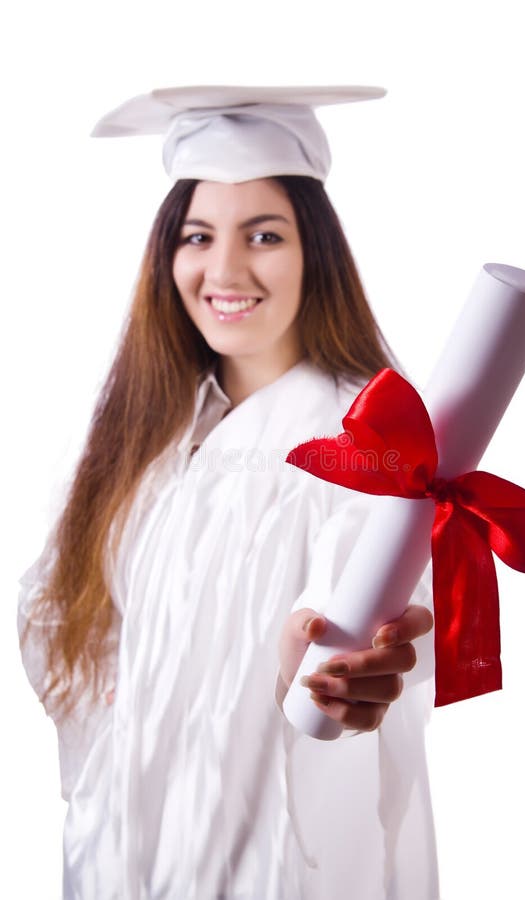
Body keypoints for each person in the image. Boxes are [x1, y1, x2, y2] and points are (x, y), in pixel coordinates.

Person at [18, 86, 439, 899]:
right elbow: (58, 610)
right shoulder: (147, 432)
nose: (225, 270)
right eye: (198, 236)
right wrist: (126, 687)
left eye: (265, 236)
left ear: (316, 252)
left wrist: (324, 663)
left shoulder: (363, 436)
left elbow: (374, 599)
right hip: (123, 855)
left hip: (272, 860)